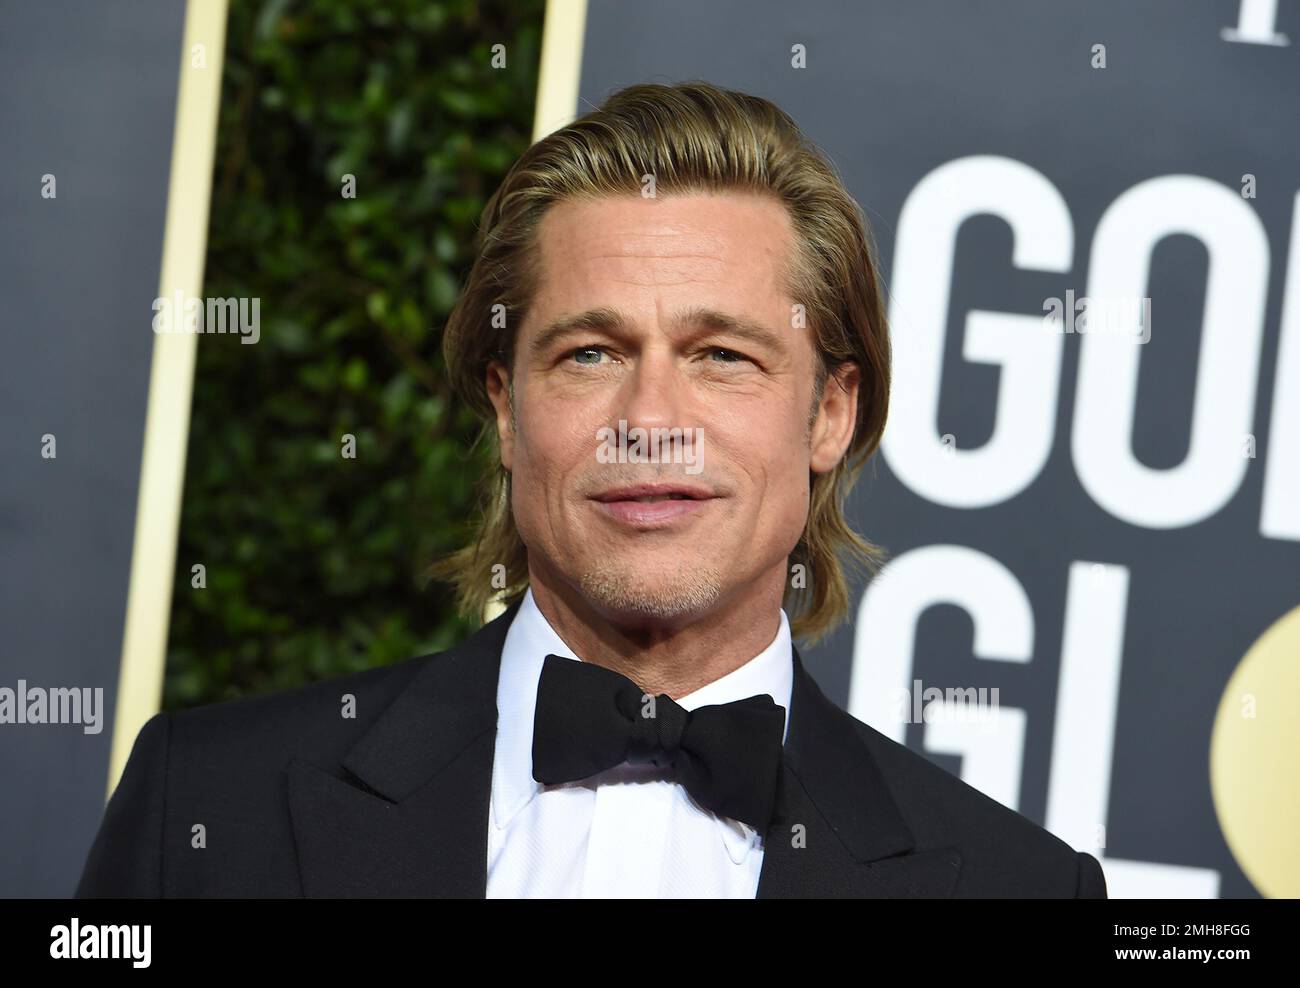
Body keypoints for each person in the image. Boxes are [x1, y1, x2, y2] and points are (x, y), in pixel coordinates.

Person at [77, 81, 1107, 898]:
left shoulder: (1016, 887)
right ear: (506, 407)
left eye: (721, 356)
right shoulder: (209, 808)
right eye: (588, 353)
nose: (649, 416)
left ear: (829, 414)